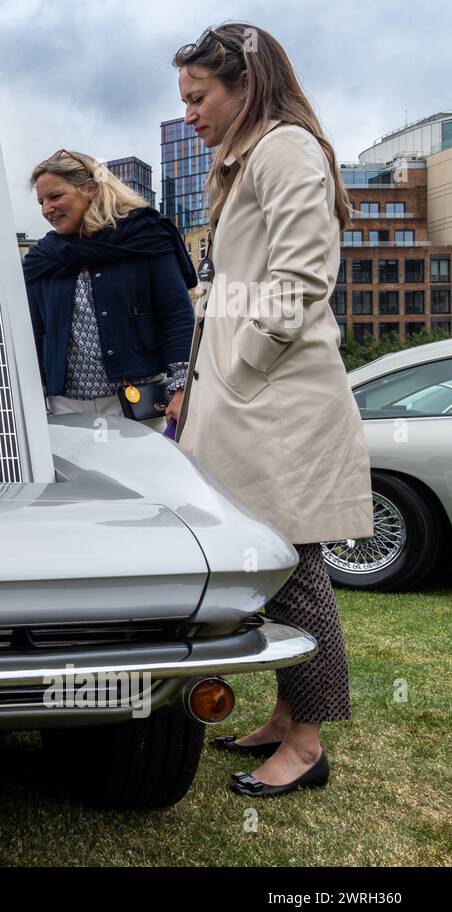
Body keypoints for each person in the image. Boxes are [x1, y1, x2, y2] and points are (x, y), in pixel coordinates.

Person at [170, 24, 372, 797]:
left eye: (199, 97)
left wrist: (242, 365)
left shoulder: (284, 148)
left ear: (243, 84)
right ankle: (290, 715)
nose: (189, 113)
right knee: (275, 564)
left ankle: (309, 744)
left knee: (292, 569)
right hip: (256, 400)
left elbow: (300, 276)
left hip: (278, 404)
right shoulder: (251, 156)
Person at [23, 150, 197, 432]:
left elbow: (175, 314)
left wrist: (182, 387)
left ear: (89, 189)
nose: (46, 210)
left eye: (55, 197)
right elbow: (32, 333)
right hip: (62, 410)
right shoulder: (42, 259)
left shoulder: (145, 237)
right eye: (41, 202)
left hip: (138, 406)